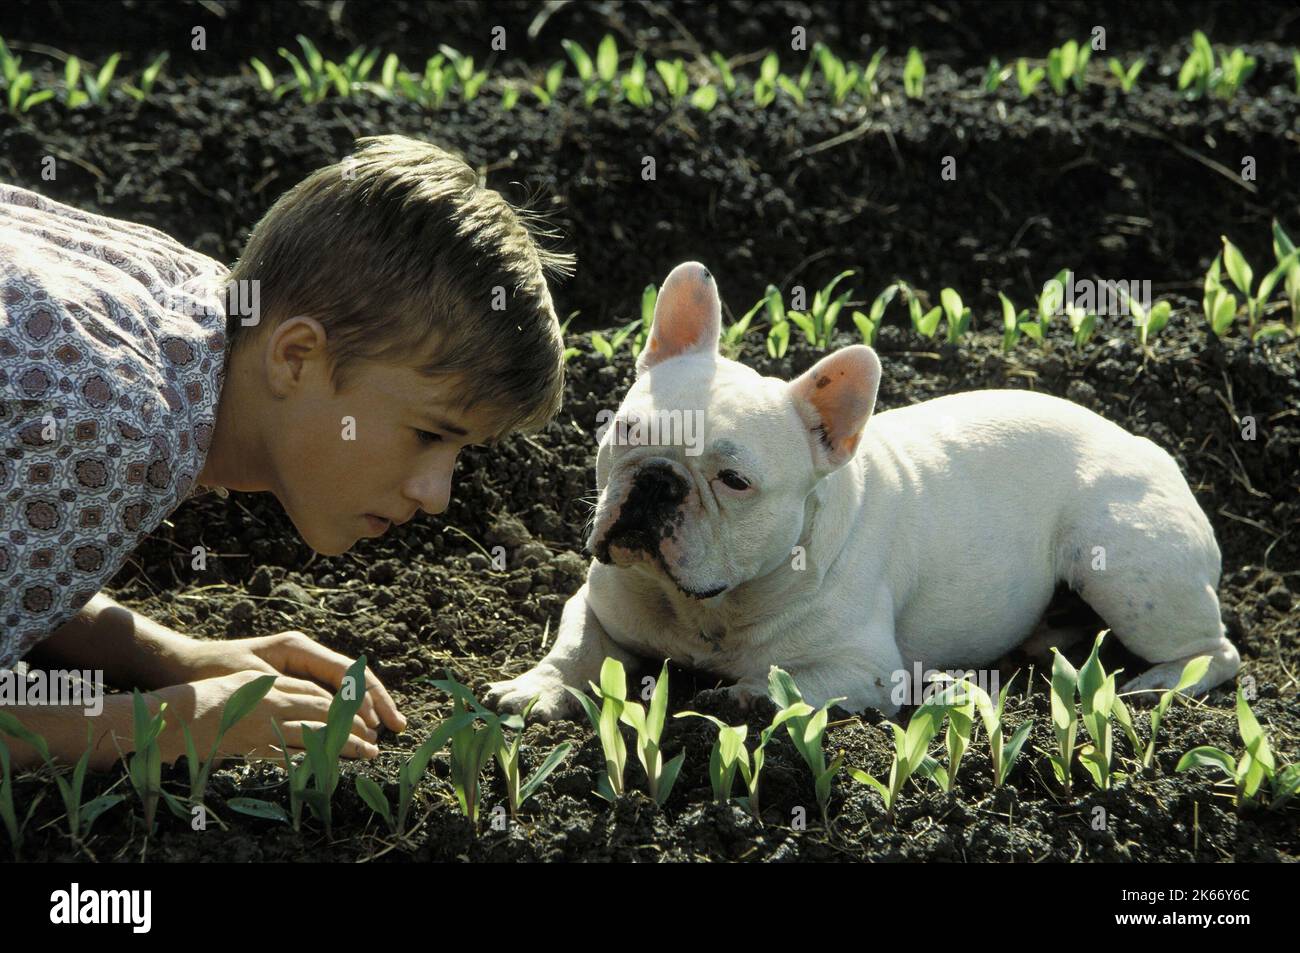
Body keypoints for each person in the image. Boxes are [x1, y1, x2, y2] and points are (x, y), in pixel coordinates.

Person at [0, 135, 574, 770]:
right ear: (296, 356)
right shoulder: (123, 432)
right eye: (429, 434)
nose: (435, 494)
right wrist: (171, 722)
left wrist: (168, 656)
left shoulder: (179, 300)